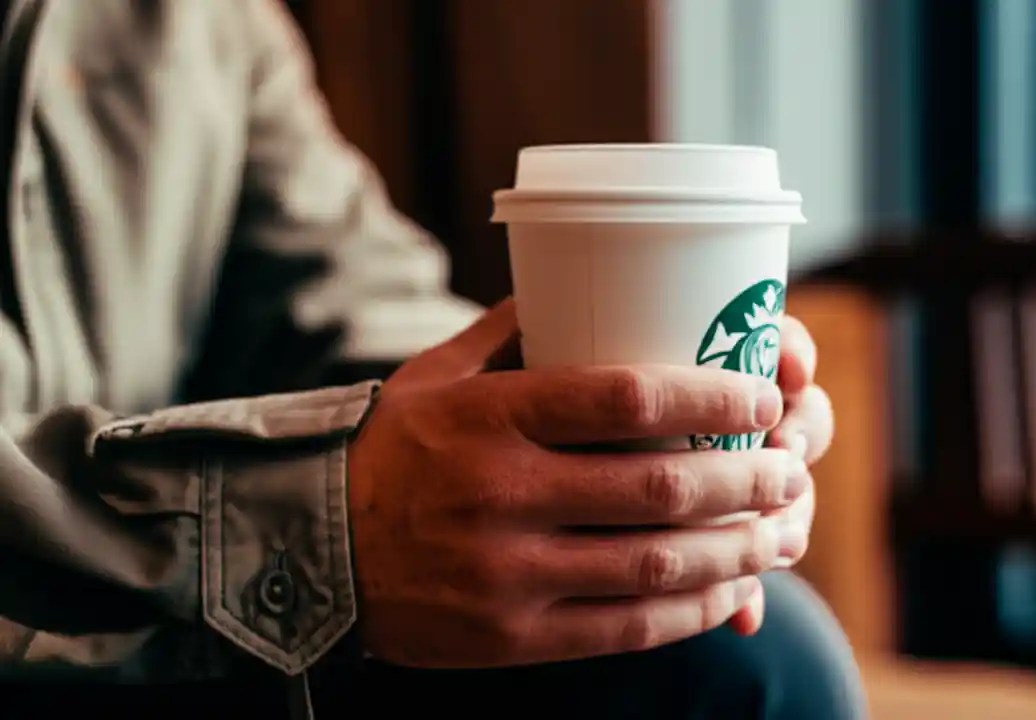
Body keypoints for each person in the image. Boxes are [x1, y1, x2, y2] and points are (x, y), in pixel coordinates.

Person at [0, 1, 865, 718]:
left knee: (745, 657)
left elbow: (346, 295)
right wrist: (326, 527)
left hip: (164, 622)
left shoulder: (207, 22)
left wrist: (550, 429)